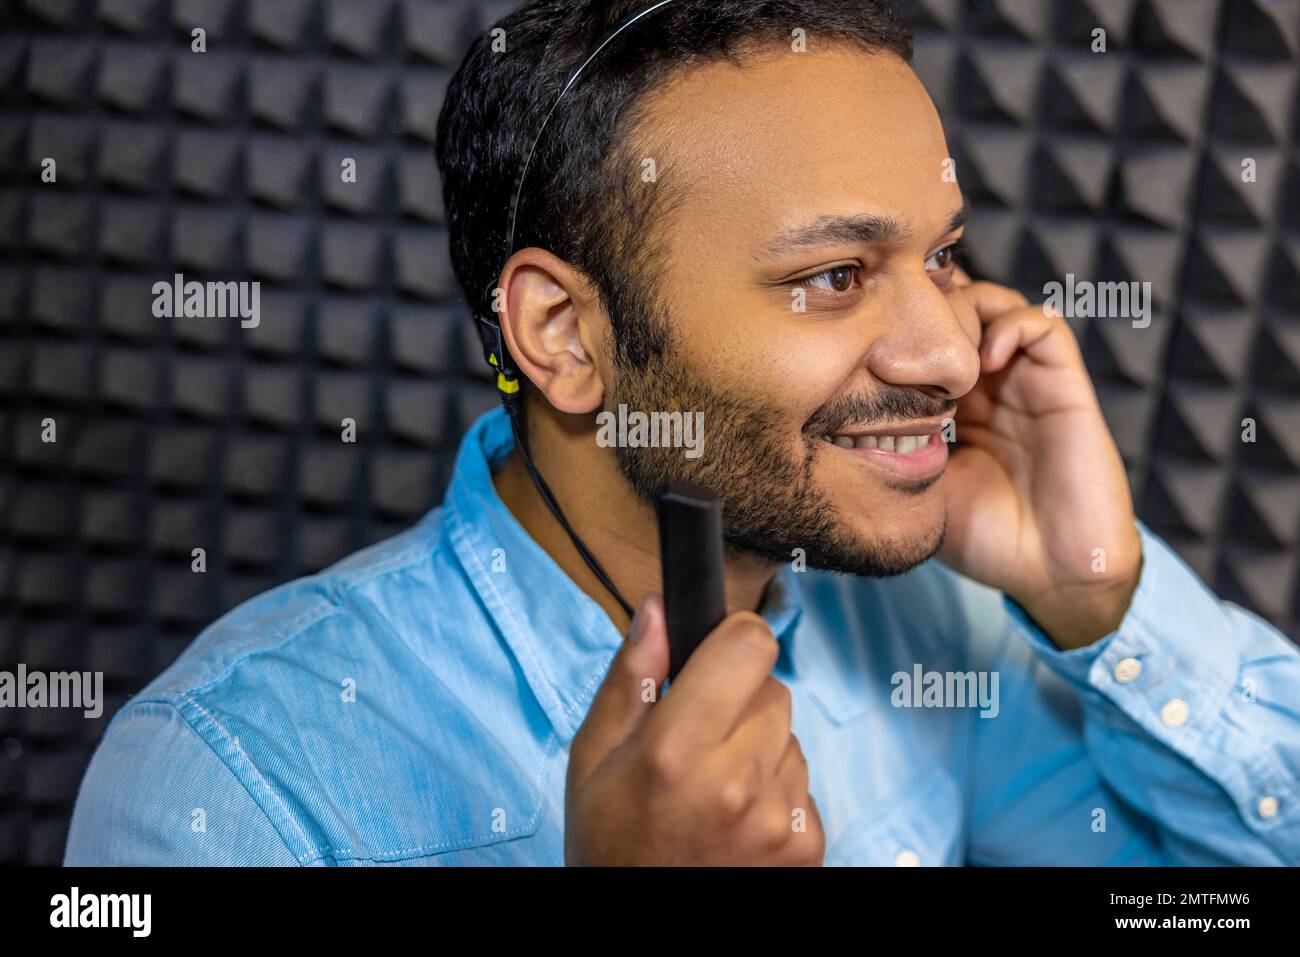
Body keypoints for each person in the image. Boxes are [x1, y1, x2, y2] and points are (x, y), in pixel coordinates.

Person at [66, 0, 1299, 866]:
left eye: (943, 258)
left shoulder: (928, 636)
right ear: (561, 335)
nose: (952, 351)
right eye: (831, 275)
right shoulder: (231, 781)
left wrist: (1102, 596)